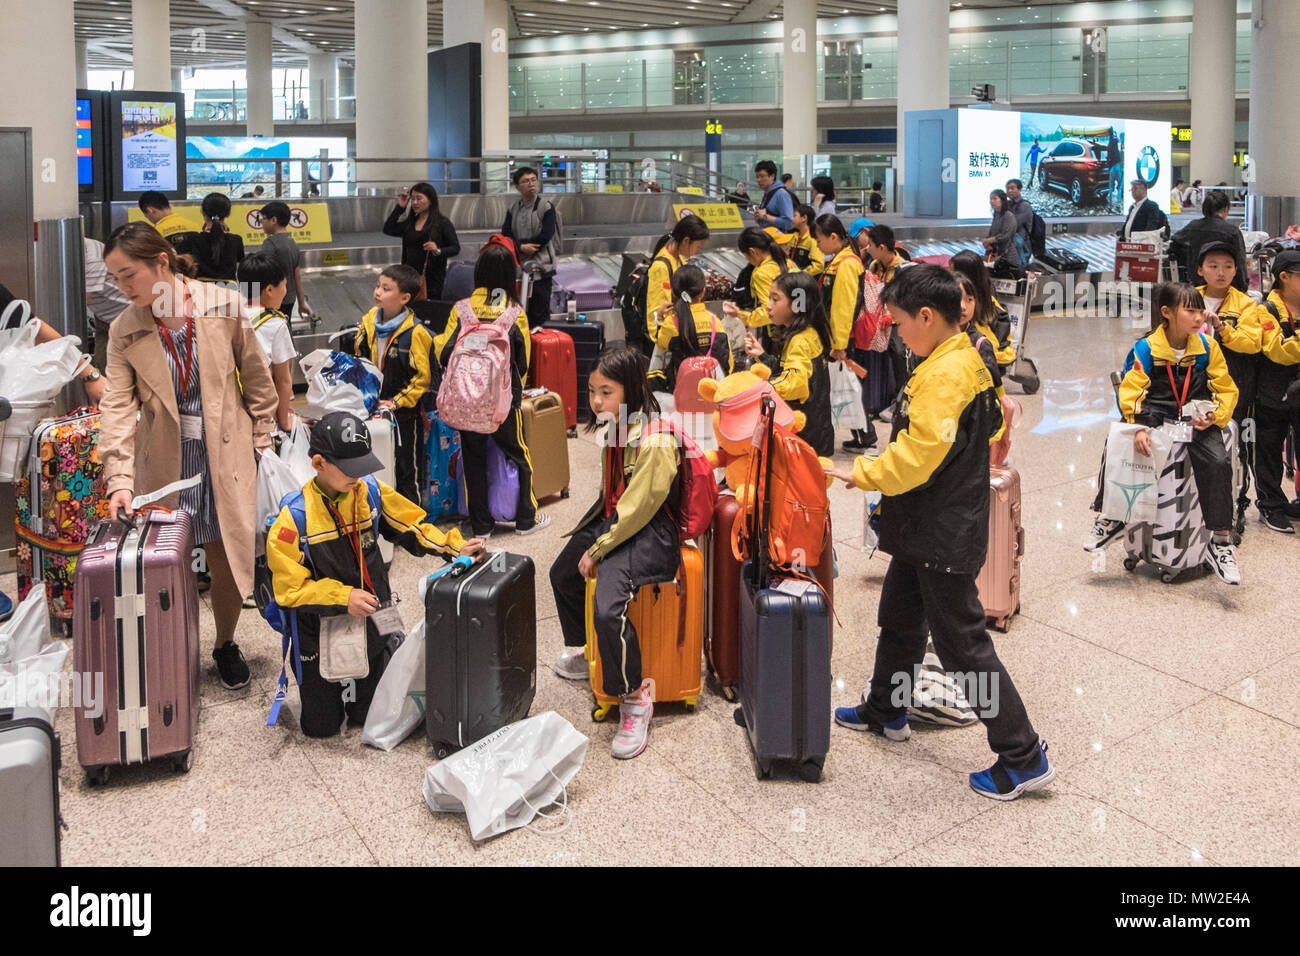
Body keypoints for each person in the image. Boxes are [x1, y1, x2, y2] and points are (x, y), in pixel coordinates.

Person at [827, 265, 1053, 800]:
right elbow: (987, 429)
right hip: (927, 523)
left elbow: (916, 459)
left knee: (963, 646)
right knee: (900, 619)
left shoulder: (948, 374)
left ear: (927, 316)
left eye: (901, 321)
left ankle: (1022, 755)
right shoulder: (960, 358)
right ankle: (886, 709)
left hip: (943, 531)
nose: (898, 331)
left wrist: (858, 472)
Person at [100, 221, 278, 690]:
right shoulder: (125, 329)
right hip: (164, 459)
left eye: (128, 275)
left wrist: (264, 435)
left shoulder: (222, 305)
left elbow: (256, 376)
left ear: (161, 262)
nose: (122, 288)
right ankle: (171, 645)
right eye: (114, 279)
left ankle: (224, 643)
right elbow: (117, 405)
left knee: (224, 557)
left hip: (225, 451)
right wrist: (118, 476)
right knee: (169, 562)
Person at [265, 411, 484, 738]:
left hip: (371, 622)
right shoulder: (293, 521)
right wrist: (342, 597)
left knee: (371, 716)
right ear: (319, 463)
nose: (360, 475)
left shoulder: (368, 492)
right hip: (319, 631)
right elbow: (289, 592)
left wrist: (454, 546)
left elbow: (414, 527)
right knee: (320, 728)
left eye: (363, 464)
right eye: (350, 469)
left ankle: (367, 683)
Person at [548, 346, 683, 759]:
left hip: (649, 531)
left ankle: (634, 696)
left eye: (605, 392)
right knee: (562, 575)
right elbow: (616, 500)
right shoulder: (620, 425)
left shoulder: (655, 439)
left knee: (609, 608)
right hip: (618, 519)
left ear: (631, 389)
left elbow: (639, 509)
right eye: (591, 392)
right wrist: (595, 538)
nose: (595, 402)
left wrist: (599, 547)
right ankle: (592, 651)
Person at [1107, 284, 1241, 582]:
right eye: (1190, 310)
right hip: (1158, 417)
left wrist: (1214, 415)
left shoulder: (1207, 346)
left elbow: (1226, 388)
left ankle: (1220, 543)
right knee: (1117, 440)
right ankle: (1110, 518)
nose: (1199, 316)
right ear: (1166, 312)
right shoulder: (1146, 348)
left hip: (1194, 421)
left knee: (1218, 461)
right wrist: (1139, 426)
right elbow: (1131, 392)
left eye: (1199, 309)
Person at [435, 244, 548, 537]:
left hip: (466, 403)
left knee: (473, 458)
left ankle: (481, 526)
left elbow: (443, 352)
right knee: (519, 453)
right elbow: (522, 362)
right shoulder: (513, 312)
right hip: (502, 403)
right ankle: (526, 519)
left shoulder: (462, 308)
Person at [346, 264, 433, 504]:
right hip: (372, 408)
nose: (377, 292)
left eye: (386, 289)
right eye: (377, 286)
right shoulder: (368, 323)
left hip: (404, 415)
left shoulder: (415, 333)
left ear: (404, 298)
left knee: (407, 469)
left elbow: (421, 378)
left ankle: (414, 525)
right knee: (377, 465)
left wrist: (396, 402)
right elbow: (359, 362)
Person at [1197, 241, 1262, 531]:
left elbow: (1252, 343)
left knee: (1236, 447)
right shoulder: (1187, 298)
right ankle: (1196, 508)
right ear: (1200, 270)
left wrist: (1223, 328)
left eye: (1227, 266)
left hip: (1234, 385)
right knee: (1197, 445)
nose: (1220, 273)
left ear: (1237, 270)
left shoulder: (1246, 304)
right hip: (1193, 385)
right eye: (1213, 266)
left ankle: (1236, 507)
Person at [746, 271, 834, 457]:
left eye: (775, 299)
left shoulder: (799, 340)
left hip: (804, 436)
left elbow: (796, 384)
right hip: (817, 430)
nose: (768, 306)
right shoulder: (809, 332)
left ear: (797, 304)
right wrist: (762, 355)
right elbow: (791, 370)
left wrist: (758, 390)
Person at [1249, 250, 1300, 532]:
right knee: (1268, 450)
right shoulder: (1265, 310)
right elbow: (1278, 350)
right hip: (1273, 393)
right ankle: (1271, 505)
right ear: (1284, 277)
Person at [813, 215, 873, 451]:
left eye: (819, 240)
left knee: (848, 387)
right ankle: (863, 436)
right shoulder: (840, 260)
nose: (818, 245)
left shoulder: (846, 263)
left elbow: (843, 306)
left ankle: (867, 436)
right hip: (838, 337)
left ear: (833, 237)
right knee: (847, 386)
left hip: (842, 339)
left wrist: (838, 344)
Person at [647, 264, 733, 399]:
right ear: (703, 292)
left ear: (675, 293)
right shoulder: (715, 322)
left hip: (681, 395)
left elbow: (660, 344)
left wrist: (659, 319)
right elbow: (728, 363)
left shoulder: (671, 323)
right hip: (710, 394)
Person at [236, 253, 296, 432]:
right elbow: (283, 380)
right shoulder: (275, 325)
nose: (285, 291)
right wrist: (284, 422)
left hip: (229, 406)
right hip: (260, 411)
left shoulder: (229, 312)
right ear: (269, 290)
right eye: (284, 285)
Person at [502, 166, 560, 329]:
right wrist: (521, 246)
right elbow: (506, 233)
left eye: (533, 180)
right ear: (517, 187)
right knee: (519, 312)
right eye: (526, 181)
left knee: (539, 312)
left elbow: (547, 233)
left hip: (541, 267)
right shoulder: (513, 208)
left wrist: (529, 246)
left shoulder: (545, 206)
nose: (531, 184)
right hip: (519, 268)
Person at [382, 182, 461, 301]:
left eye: (419, 198)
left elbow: (455, 247)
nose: (414, 202)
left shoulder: (442, 223)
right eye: (412, 198)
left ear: (430, 201)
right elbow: (388, 229)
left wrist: (438, 250)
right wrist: (400, 208)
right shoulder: (410, 223)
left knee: (429, 313)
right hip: (408, 278)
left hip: (432, 280)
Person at [643, 214, 710, 347]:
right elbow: (656, 313)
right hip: (666, 340)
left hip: (677, 332)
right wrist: (664, 341)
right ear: (686, 241)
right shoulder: (661, 267)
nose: (698, 251)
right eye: (698, 246)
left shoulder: (679, 259)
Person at [722, 226, 797, 338]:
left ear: (753, 251)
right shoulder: (787, 262)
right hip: (796, 325)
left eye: (747, 257)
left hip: (778, 332)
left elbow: (769, 312)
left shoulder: (761, 273)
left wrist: (740, 314)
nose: (749, 261)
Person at [1169, 191, 1248, 291]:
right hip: (1225, 287)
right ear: (1226, 209)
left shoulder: (1192, 226)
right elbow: (1240, 262)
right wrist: (1243, 287)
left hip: (1196, 285)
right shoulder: (1232, 231)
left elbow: (1174, 244)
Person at [950, 250, 1016, 369]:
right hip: (994, 349)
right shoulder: (986, 289)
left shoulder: (966, 299)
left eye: (953, 271)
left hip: (980, 354)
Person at [84, 235, 132, 376]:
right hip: (104, 317)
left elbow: (83, 301)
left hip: (126, 316)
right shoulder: (88, 245)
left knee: (116, 372)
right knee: (103, 367)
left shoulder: (92, 258)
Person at [260, 200, 313, 323]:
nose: (261, 222)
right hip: (290, 298)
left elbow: (263, 273)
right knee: (285, 327)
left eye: (264, 218)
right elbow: (297, 276)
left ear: (274, 220)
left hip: (274, 299)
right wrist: (301, 302)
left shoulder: (270, 244)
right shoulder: (292, 243)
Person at [191, 192, 244, 284]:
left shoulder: (193, 239)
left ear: (202, 212)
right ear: (228, 214)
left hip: (200, 291)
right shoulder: (236, 240)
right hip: (230, 292)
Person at [982, 189, 1022, 268]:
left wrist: (990, 240)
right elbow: (992, 233)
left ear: (1002, 200)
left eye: (995, 198)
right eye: (991, 199)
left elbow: (1006, 235)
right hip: (995, 254)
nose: (992, 201)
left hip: (1007, 256)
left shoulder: (1008, 215)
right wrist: (988, 243)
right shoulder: (996, 215)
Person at [752, 160, 794, 231]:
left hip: (779, 240)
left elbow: (789, 223)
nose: (758, 180)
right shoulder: (767, 193)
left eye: (762, 176)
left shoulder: (781, 194)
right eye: (757, 177)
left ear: (772, 176)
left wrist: (765, 217)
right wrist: (759, 218)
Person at [789, 203, 825, 277]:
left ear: (804, 218)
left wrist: (800, 274)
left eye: (794, 216)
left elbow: (819, 265)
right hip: (793, 279)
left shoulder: (813, 239)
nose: (791, 219)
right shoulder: (793, 237)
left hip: (805, 281)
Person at [1004, 178, 1035, 264]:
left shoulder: (1025, 205)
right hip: (1011, 243)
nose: (1009, 191)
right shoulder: (1008, 204)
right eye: (1007, 188)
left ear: (1019, 189)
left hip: (1021, 244)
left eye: (1012, 188)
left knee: (1020, 267)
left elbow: (1014, 224)